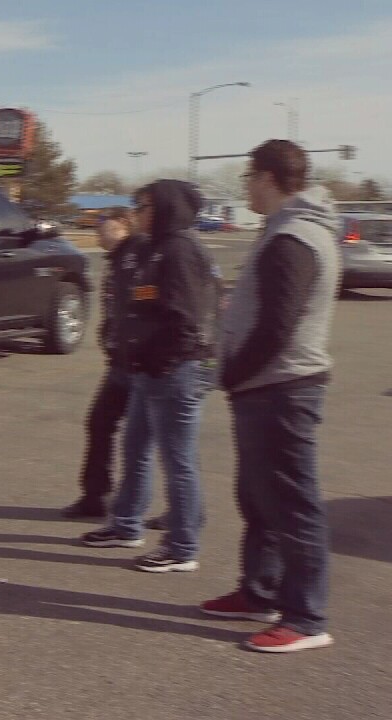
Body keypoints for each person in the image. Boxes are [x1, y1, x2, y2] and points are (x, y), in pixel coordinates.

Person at [199, 140, 339, 653]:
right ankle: (259, 591)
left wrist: (233, 373)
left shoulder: (294, 237)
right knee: (259, 498)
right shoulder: (285, 231)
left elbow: (277, 327)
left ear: (268, 178)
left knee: (292, 503)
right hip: (268, 388)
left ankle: (305, 617)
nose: (244, 187)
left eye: (247, 178)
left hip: (281, 391)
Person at [80, 180, 220, 573]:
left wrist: (162, 361)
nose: (136, 213)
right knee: (135, 446)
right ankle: (126, 525)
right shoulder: (156, 247)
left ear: (163, 208)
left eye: (141, 205)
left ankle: (182, 547)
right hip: (148, 370)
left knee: (178, 461)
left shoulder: (179, 249)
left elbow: (187, 318)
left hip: (174, 372)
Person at [63, 207, 141, 519]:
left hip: (141, 363)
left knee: (155, 440)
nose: (97, 231)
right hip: (119, 363)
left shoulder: (139, 257)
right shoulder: (117, 260)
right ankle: (95, 496)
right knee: (100, 423)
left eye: (103, 226)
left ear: (123, 226)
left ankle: (182, 511)